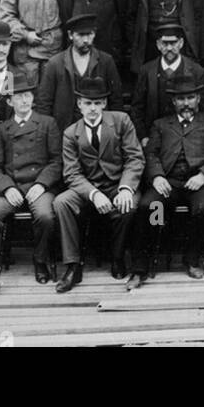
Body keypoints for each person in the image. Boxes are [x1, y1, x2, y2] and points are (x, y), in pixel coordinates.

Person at [126, 72, 204, 287]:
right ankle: (141, 267)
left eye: (190, 98)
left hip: (202, 182)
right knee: (149, 207)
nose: (186, 103)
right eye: (181, 99)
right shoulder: (160, 125)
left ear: (198, 99)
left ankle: (191, 258)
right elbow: (151, 153)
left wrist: (203, 175)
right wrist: (156, 176)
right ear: (173, 101)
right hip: (170, 181)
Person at [52, 76, 144, 291]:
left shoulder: (121, 121)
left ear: (104, 103)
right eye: (87, 103)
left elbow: (135, 158)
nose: (92, 108)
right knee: (61, 202)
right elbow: (72, 174)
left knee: (130, 205)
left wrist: (125, 188)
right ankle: (73, 265)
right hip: (89, 186)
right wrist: (93, 194)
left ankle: (118, 256)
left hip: (118, 183)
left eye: (97, 103)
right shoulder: (70, 133)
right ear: (79, 104)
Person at [0, 70, 62, 296]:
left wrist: (42, 184)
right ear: (9, 100)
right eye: (18, 96)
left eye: (28, 95)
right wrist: (7, 187)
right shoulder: (1, 129)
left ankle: (40, 259)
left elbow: (56, 161)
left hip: (38, 186)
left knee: (45, 216)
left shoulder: (47, 123)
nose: (24, 100)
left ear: (33, 98)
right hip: (11, 186)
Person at [36, 12, 124, 128]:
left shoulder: (106, 61)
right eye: (81, 35)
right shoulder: (55, 64)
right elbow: (44, 103)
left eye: (90, 34)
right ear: (70, 35)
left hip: (98, 130)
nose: (86, 40)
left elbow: (116, 101)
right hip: (64, 129)